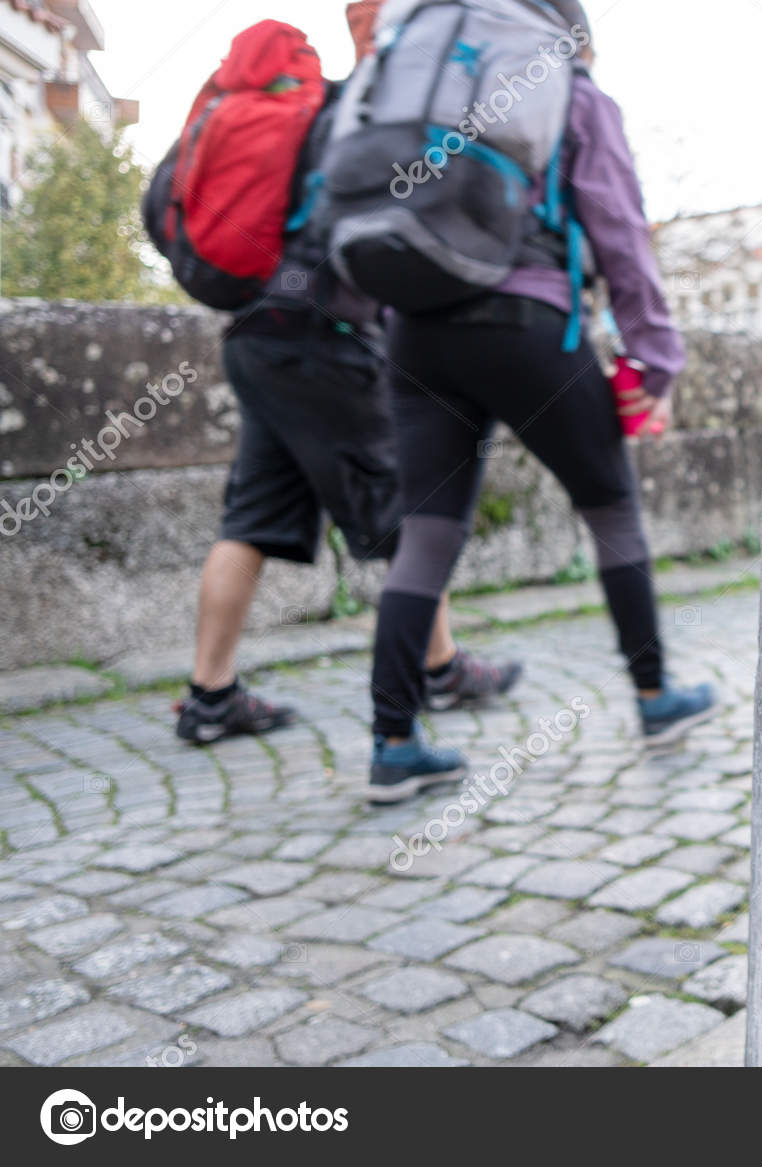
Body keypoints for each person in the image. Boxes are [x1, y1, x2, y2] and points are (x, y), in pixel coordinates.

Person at [367, 0, 717, 795]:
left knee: (425, 536)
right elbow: (621, 233)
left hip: (415, 330)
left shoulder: (417, 80)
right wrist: (654, 362)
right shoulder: (573, 89)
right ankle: (657, 697)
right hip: (526, 325)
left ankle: (392, 740)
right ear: (575, 34)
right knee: (610, 508)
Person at [176, 9, 520, 758]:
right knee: (408, 512)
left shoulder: (288, 113)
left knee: (252, 520)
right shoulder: (351, 109)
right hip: (320, 339)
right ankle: (429, 683)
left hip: (259, 334)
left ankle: (209, 697)